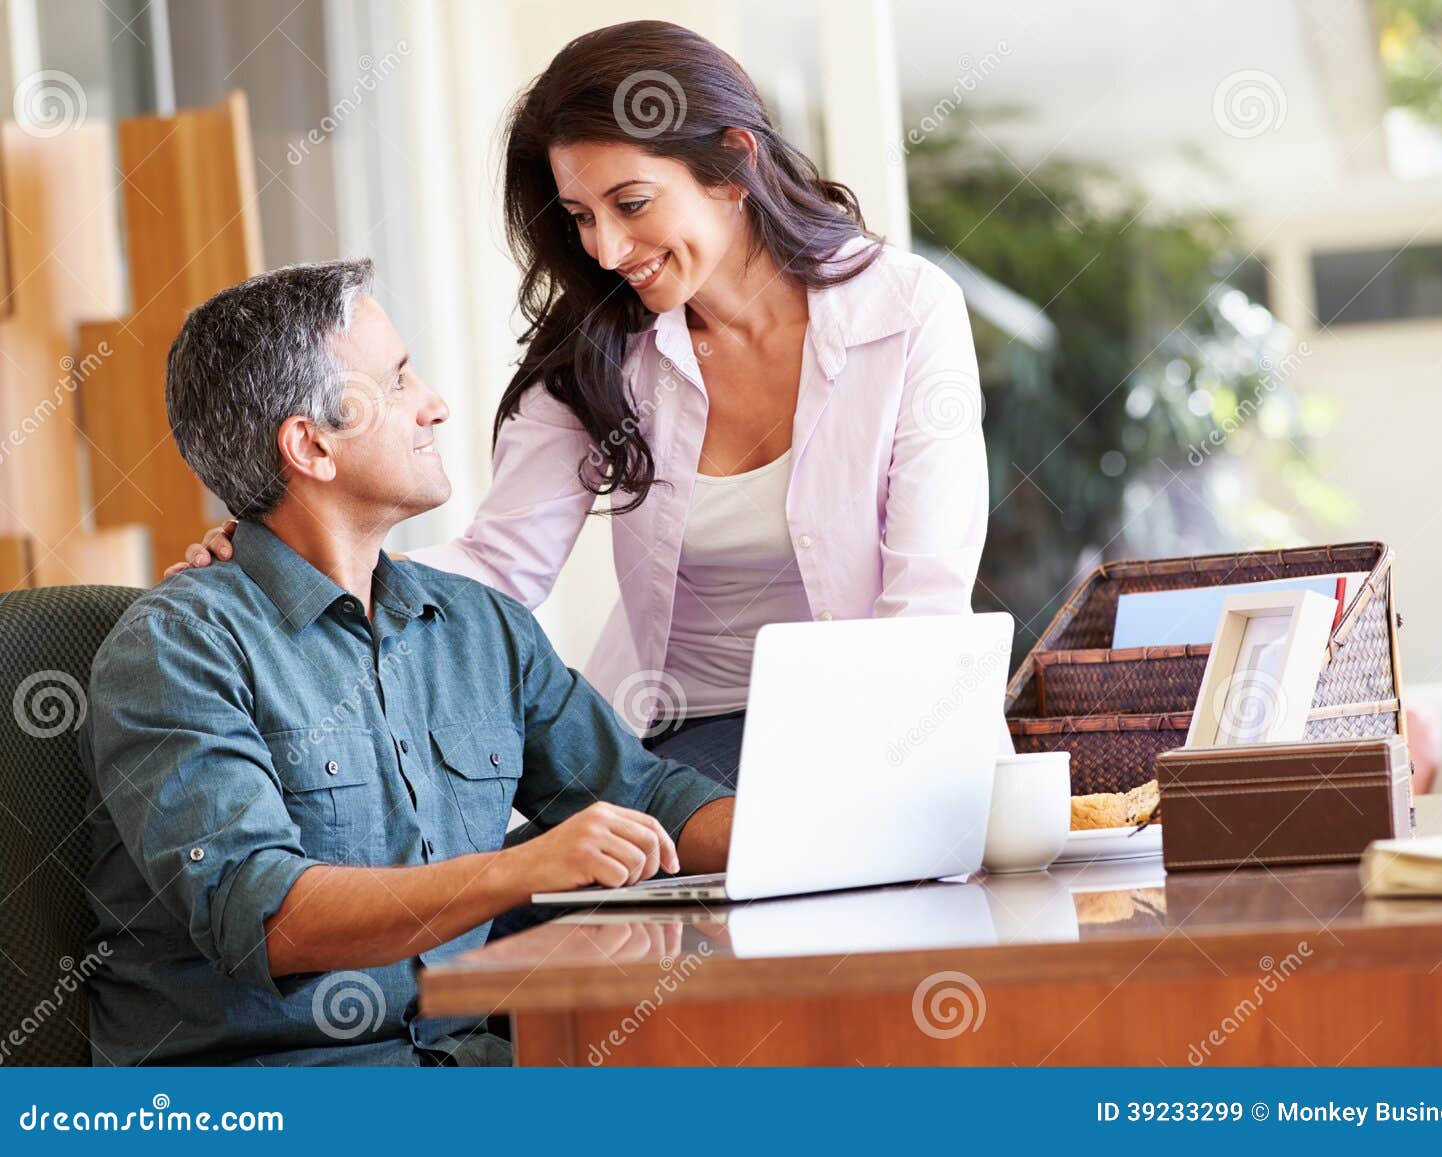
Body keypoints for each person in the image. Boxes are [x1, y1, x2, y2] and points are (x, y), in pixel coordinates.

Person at [168, 20, 994, 788]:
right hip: (686, 734)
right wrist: (284, 565)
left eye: (630, 205)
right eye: (580, 217)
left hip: (879, 723)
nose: (604, 249)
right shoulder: (604, 349)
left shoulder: (908, 314)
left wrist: (883, 773)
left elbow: (926, 597)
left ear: (735, 162)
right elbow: (500, 566)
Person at [82, 260, 734, 1066]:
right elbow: (265, 914)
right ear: (312, 444)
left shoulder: (477, 625)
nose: (435, 403)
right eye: (397, 381)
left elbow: (648, 794)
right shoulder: (178, 647)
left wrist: (822, 838)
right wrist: (521, 867)